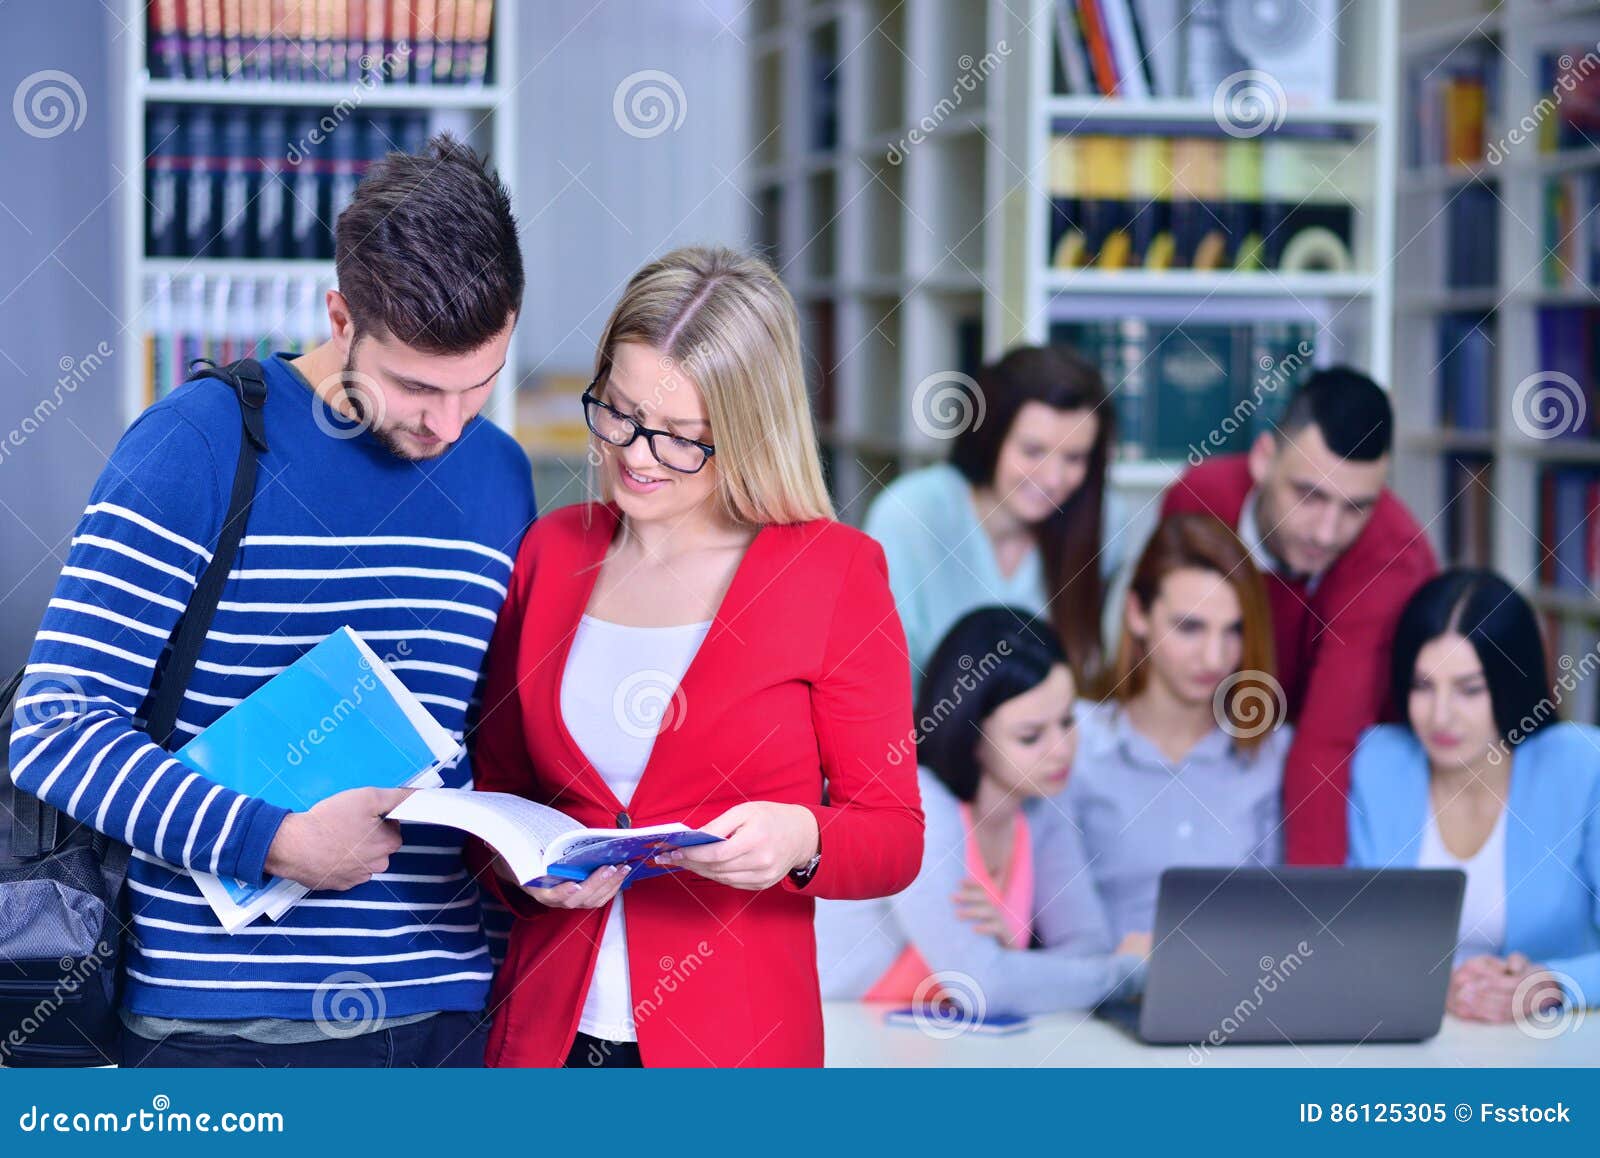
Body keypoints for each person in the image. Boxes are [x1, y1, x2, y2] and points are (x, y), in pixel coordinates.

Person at [8, 134, 534, 1066]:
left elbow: (484, 736)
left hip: (451, 1017)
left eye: (479, 385)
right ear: (340, 315)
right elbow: (53, 730)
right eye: (416, 386)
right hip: (224, 1033)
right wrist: (275, 840)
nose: (448, 425)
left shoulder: (499, 475)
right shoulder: (198, 445)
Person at [467, 245, 924, 1068]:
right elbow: (496, 792)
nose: (636, 455)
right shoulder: (551, 551)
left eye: (682, 438)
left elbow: (894, 836)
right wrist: (521, 872)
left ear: (747, 433)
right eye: (618, 412)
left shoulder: (833, 571)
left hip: (733, 1043)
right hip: (546, 1033)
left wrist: (801, 837)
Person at [1160, 367, 1437, 865]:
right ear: (1264, 459)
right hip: (1224, 743)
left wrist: (1313, 927)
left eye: (1356, 507)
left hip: (1357, 771)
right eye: (1309, 496)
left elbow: (1327, 743)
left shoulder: (1394, 554)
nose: (1327, 533)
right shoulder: (1197, 501)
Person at [815, 606, 1146, 1015]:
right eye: (1031, 736)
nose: (1061, 750)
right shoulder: (920, 807)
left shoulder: (1044, 803)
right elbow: (982, 986)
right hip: (840, 1041)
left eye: (1067, 722)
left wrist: (1011, 964)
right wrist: (1128, 974)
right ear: (970, 735)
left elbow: (1087, 947)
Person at [1349, 568, 1600, 1020]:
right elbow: (1345, 937)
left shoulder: (1581, 766)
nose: (1440, 716)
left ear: (1511, 684)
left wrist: (1551, 983)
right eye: (1423, 686)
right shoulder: (1377, 763)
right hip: (1407, 1045)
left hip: (1549, 1050)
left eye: (1469, 689)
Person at [1067, 513, 1290, 944]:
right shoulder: (1076, 743)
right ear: (1138, 614)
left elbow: (1281, 927)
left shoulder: (1272, 755)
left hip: (1240, 1001)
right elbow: (1063, 934)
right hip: (1100, 1000)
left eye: (1234, 631)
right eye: (1189, 627)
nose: (1214, 658)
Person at [864, 345, 1112, 691]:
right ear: (991, 439)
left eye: (1074, 457)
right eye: (1033, 451)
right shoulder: (910, 515)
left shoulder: (1106, 521)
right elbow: (879, 678)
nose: (1053, 478)